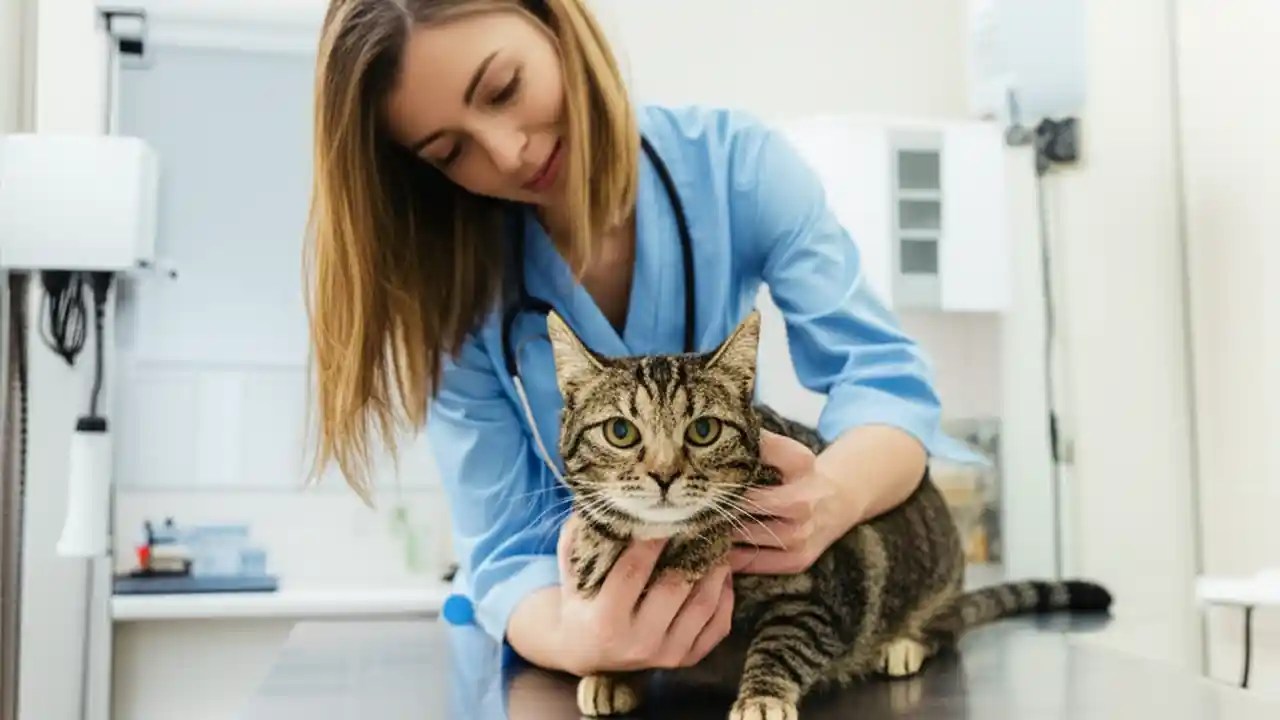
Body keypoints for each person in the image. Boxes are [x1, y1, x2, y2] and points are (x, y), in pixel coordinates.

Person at [305, 0, 977, 678]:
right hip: (588, 647)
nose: (508, 152)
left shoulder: (736, 167)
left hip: (745, 617)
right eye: (450, 151)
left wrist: (832, 497)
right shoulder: (453, 295)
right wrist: (581, 642)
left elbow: (887, 386)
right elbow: (504, 553)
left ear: (556, 23)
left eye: (505, 87)